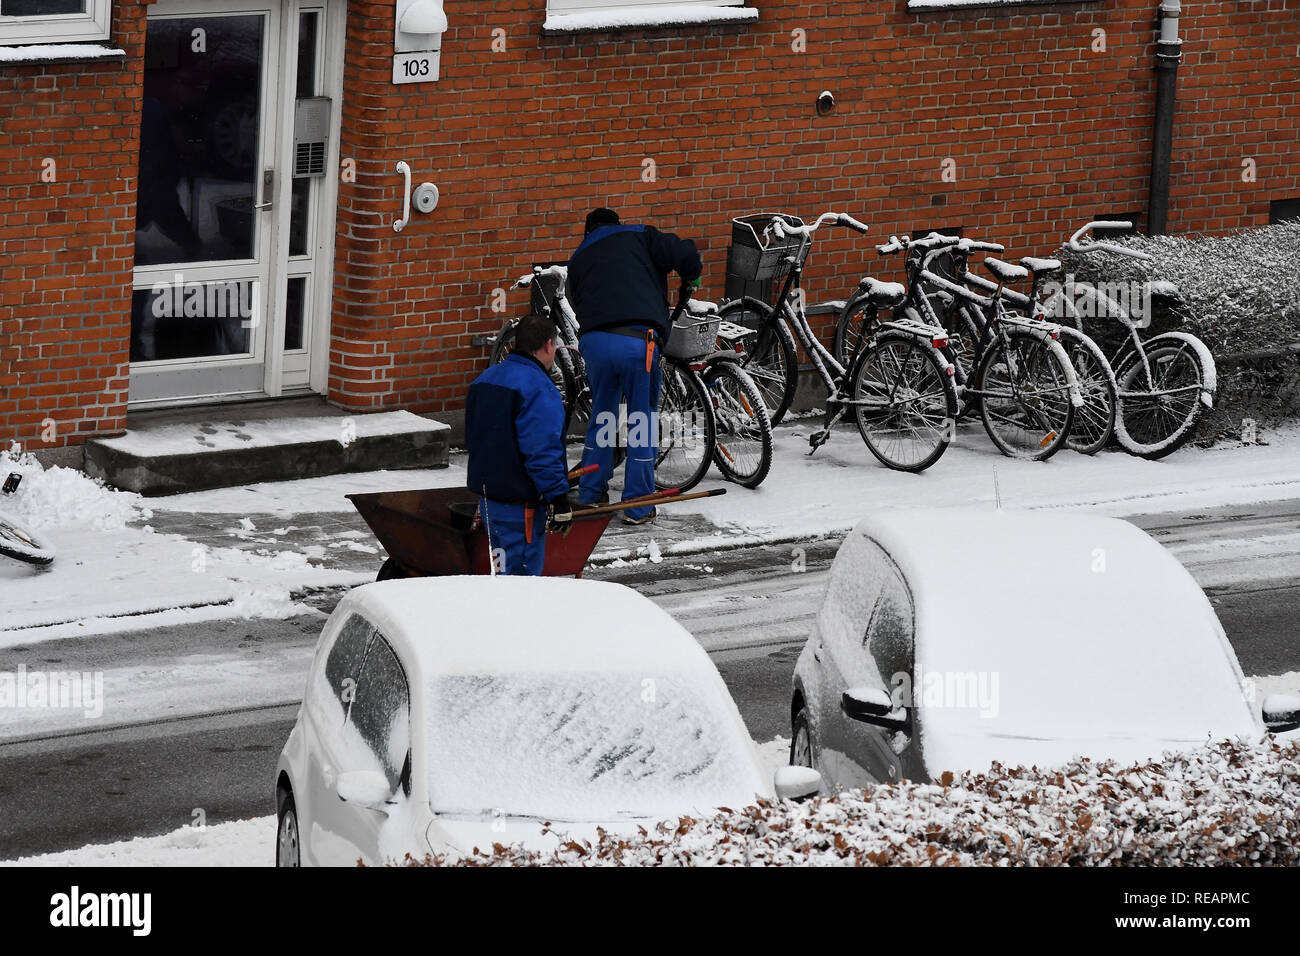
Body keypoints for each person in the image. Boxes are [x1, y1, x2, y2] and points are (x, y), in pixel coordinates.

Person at [567, 208, 702, 524]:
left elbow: (576, 303)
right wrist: (691, 277)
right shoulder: (641, 235)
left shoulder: (579, 256)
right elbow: (686, 252)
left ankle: (590, 493)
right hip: (638, 341)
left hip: (596, 343)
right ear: (616, 225)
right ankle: (638, 505)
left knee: (603, 416)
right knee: (641, 420)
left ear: (589, 231)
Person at [465, 313, 573, 575]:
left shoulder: (484, 380)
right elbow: (542, 452)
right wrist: (559, 499)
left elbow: (474, 439)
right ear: (548, 345)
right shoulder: (539, 389)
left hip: (490, 503)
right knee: (521, 585)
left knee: (500, 576)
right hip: (520, 509)